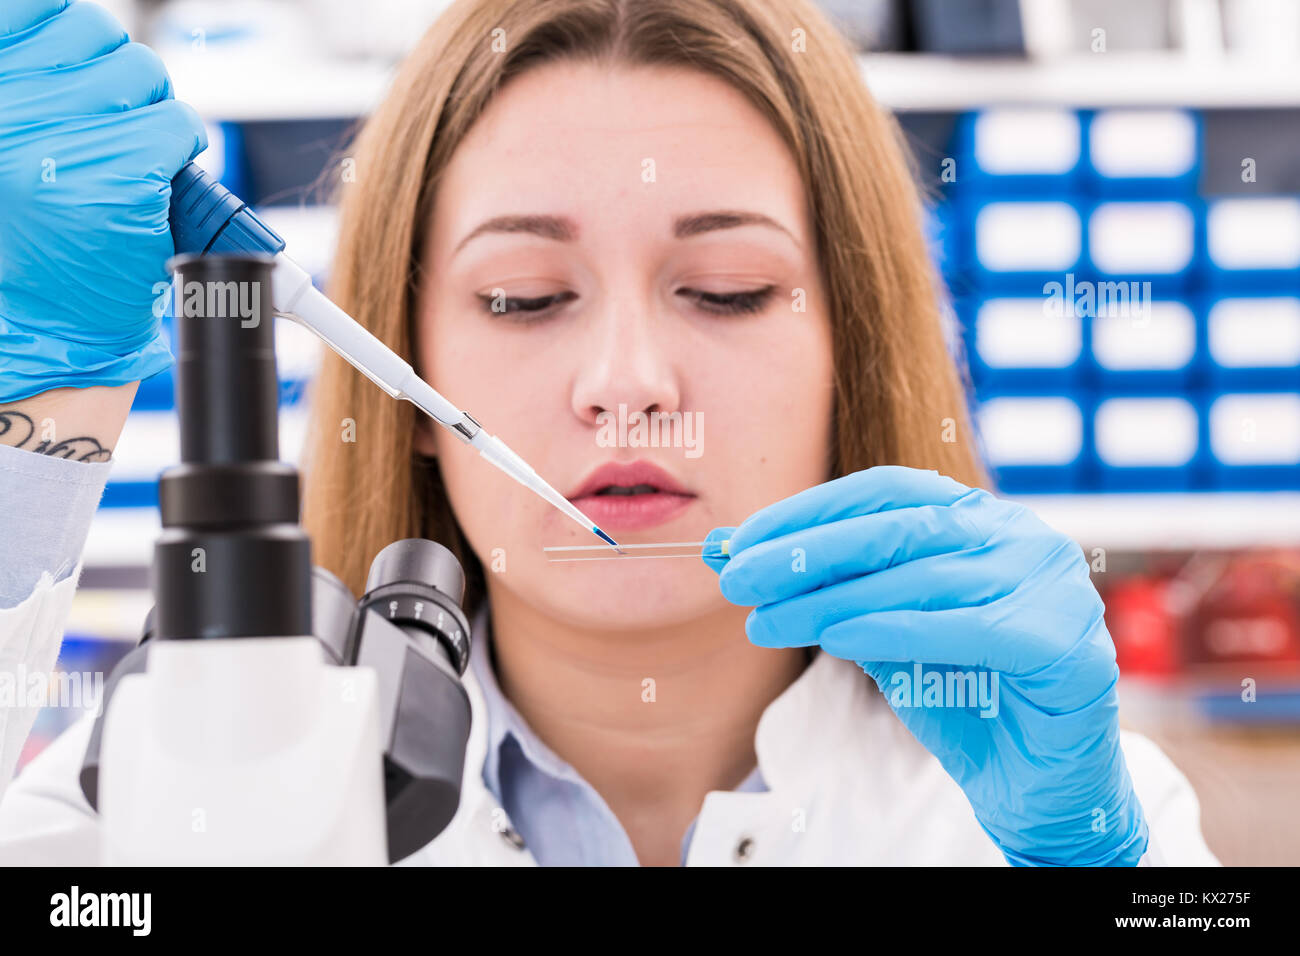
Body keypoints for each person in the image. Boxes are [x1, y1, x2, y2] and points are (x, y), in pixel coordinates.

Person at [0, 0, 1218, 866]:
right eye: (523, 297)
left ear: (851, 349)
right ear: (408, 383)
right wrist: (34, 428)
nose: (626, 383)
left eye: (729, 288)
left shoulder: (1048, 802)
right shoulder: (171, 786)